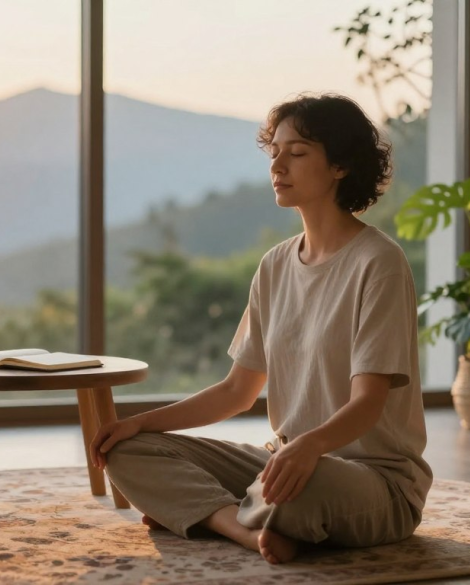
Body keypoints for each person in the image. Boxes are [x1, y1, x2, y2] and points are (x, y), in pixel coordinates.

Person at [89, 94, 433, 565]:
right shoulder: (274, 265)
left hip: (371, 480)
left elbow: (368, 403)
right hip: (282, 462)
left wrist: (311, 447)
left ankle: (205, 512)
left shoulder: (379, 263)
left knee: (302, 484)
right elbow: (237, 391)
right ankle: (244, 528)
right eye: (274, 152)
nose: (278, 165)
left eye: (297, 153)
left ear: (340, 165)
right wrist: (140, 422)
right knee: (128, 451)